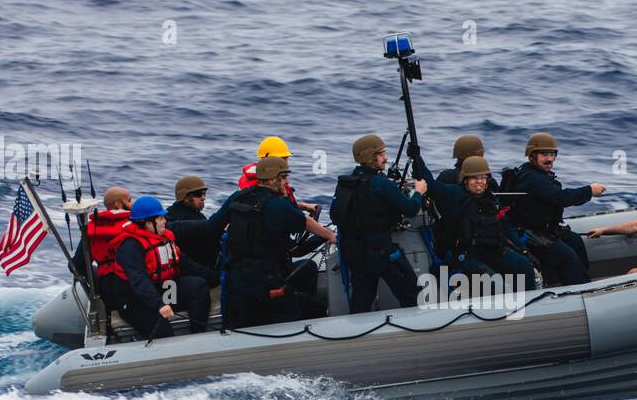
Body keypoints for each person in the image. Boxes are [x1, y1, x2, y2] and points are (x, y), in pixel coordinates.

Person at [222, 156, 335, 329]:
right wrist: (330, 236)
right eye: (284, 177)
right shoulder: (277, 206)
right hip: (268, 284)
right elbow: (305, 223)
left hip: (238, 284)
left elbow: (211, 228)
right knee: (317, 308)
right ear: (273, 179)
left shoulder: (236, 199)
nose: (287, 182)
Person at [330, 134, 427, 313]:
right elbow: (411, 209)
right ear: (370, 157)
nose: (386, 158)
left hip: (354, 253)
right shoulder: (381, 184)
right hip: (382, 252)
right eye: (381, 154)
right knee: (412, 295)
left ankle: (358, 335)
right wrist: (418, 192)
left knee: (361, 300)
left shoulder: (346, 184)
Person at [101, 196, 217, 340]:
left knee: (198, 286)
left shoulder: (164, 238)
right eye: (161, 218)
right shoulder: (130, 246)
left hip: (160, 290)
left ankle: (198, 335)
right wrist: (160, 305)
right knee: (163, 332)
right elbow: (139, 280)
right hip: (135, 301)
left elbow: (186, 264)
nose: (165, 221)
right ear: (149, 224)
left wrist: (218, 277)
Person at [500, 132, 606, 285]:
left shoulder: (535, 173)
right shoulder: (533, 178)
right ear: (531, 156)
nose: (549, 159)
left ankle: (582, 280)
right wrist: (589, 191)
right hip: (528, 235)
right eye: (544, 154)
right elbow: (560, 197)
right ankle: (578, 290)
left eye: (552, 154)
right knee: (567, 256)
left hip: (543, 229)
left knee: (575, 241)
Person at [424, 155, 537, 291]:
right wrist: (416, 157)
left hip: (493, 252)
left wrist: (524, 250)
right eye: (474, 178)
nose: (480, 182)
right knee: (495, 284)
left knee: (523, 265)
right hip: (466, 256)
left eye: (483, 178)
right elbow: (430, 183)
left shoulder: (492, 200)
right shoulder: (454, 195)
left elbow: (508, 227)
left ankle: (529, 304)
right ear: (465, 180)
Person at [72, 186, 133, 280]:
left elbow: (77, 266)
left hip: (106, 284)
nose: (133, 203)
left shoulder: (92, 228)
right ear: (118, 204)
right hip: (132, 283)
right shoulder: (136, 224)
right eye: (129, 200)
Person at [165, 175, 221, 269]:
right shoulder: (193, 219)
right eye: (198, 194)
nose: (203, 197)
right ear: (185, 197)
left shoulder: (169, 212)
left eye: (204, 193)